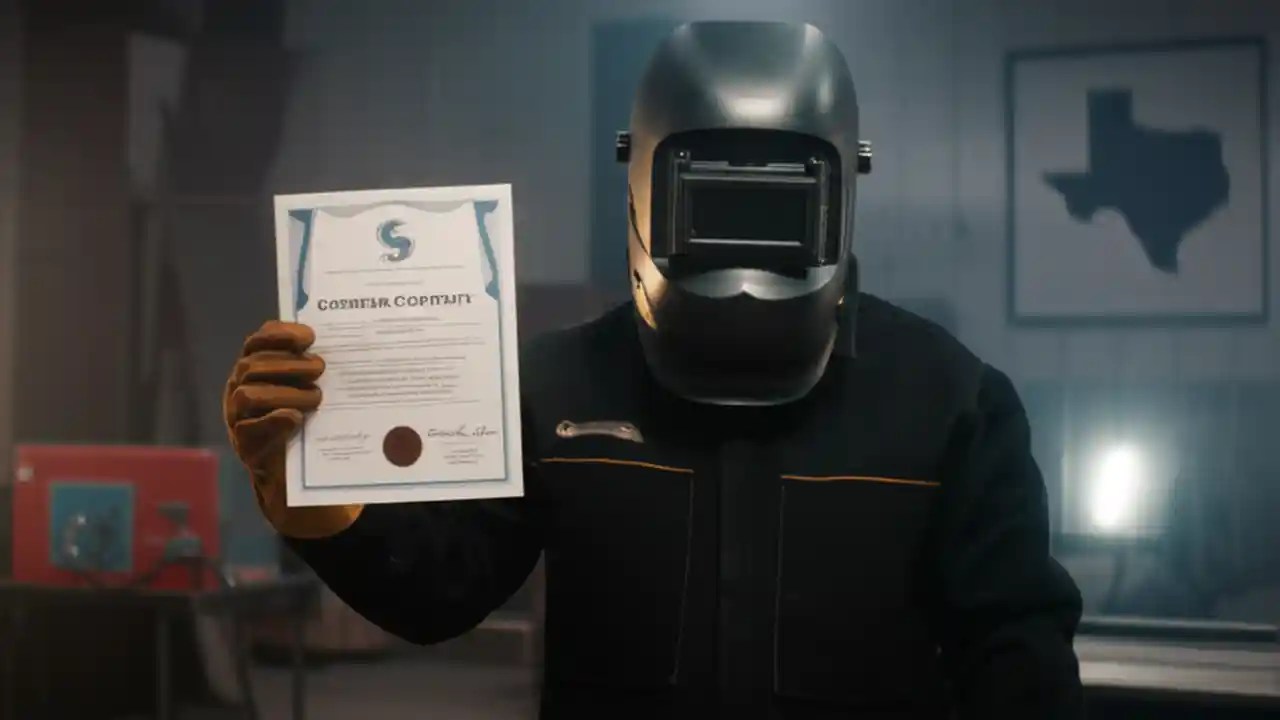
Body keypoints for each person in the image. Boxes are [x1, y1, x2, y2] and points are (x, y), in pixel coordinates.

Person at [223, 21, 1084, 719]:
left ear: (842, 184)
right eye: (716, 197)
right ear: (645, 176)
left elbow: (1017, 661)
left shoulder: (951, 405)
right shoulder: (555, 387)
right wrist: (312, 496)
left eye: (775, 201)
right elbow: (440, 591)